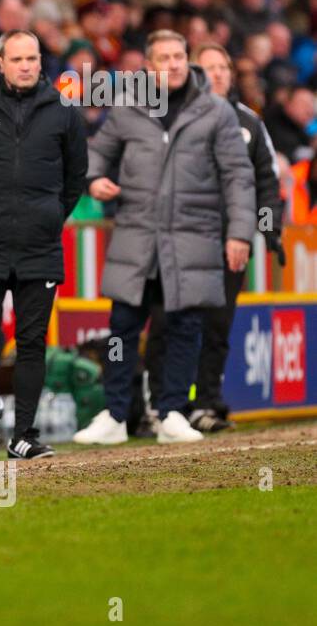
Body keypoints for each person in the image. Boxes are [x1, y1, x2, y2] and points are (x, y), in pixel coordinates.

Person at [74, 30, 255, 445]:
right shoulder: (126, 109)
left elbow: (238, 178)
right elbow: (98, 152)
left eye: (179, 56)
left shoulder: (216, 111)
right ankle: (115, 414)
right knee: (121, 328)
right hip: (137, 236)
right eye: (163, 58)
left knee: (185, 327)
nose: (173, 64)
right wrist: (95, 178)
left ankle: (171, 410)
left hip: (193, 237)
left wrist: (241, 233)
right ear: (149, 66)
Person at [0, 29, 88, 459]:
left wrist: (48, 217)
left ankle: (23, 434)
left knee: (31, 341)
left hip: (40, 246)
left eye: (33, 58)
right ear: (0, 62)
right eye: (18, 59)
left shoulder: (64, 112)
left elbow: (75, 177)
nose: (27, 65)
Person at [143, 43, 283, 432]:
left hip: (229, 241)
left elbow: (266, 183)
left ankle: (204, 403)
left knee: (217, 325)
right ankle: (160, 406)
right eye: (210, 67)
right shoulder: (168, 116)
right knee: (164, 321)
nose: (219, 74)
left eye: (224, 67)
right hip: (175, 239)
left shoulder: (250, 123)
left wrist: (269, 229)